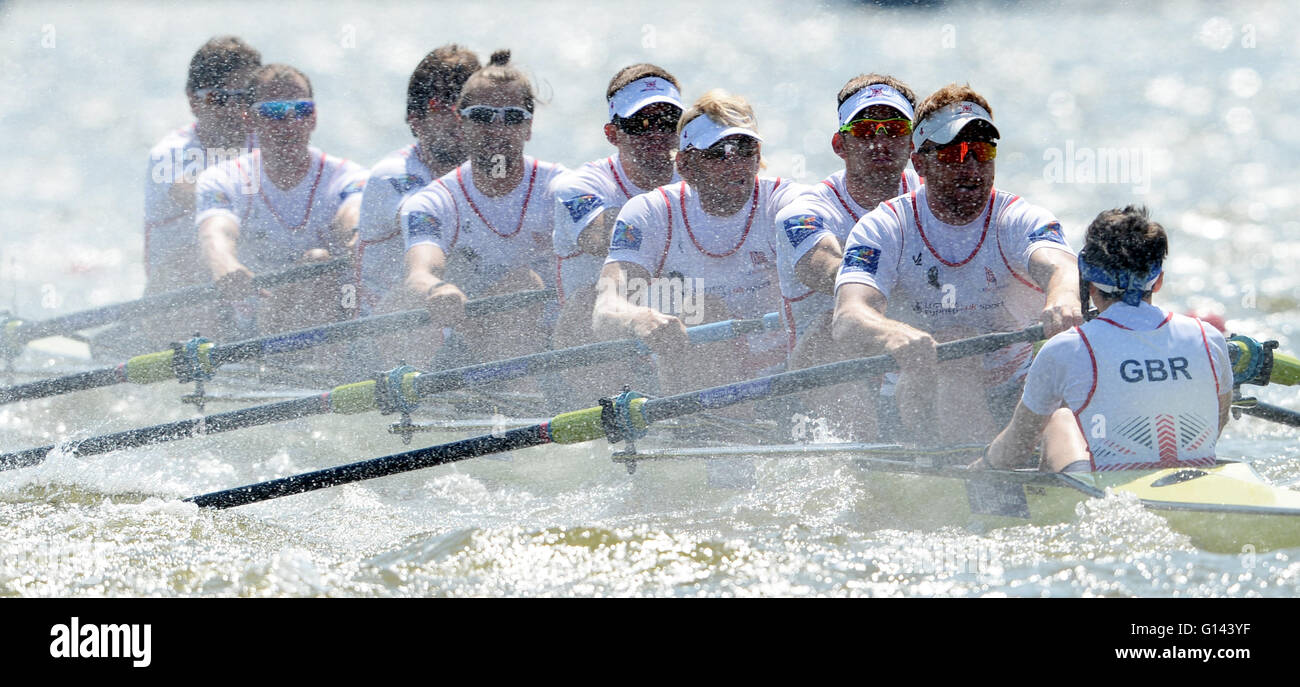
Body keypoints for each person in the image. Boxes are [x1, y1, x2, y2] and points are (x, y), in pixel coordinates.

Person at [832, 84, 1081, 445]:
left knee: (1069, 374)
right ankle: (984, 483)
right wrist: (895, 335)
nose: (971, 166)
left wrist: (1064, 298)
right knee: (956, 348)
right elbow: (848, 317)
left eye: (981, 151)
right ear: (920, 164)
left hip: (1013, 388)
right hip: (915, 398)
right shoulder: (884, 227)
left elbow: (1060, 266)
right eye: (954, 155)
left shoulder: (1017, 218)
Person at [978, 206, 1232, 472]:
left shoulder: (1066, 348)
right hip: (1195, 479)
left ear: (1087, 280)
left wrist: (979, 468)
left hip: (1110, 499)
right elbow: (1216, 424)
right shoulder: (1210, 337)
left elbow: (1016, 448)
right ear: (1158, 282)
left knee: (1061, 418)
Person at [593, 89, 805, 394]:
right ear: (686, 166)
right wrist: (638, 318)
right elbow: (605, 307)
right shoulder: (650, 213)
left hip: (784, 375)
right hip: (695, 375)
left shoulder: (787, 204)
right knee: (703, 309)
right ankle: (712, 427)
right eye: (718, 152)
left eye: (745, 148)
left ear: (758, 157)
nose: (736, 163)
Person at [771, 74, 921, 438]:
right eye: (867, 131)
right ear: (841, 144)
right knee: (832, 328)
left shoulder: (933, 198)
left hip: (909, 356)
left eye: (895, 129)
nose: (881, 143)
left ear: (913, 142)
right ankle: (866, 452)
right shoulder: (804, 212)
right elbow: (824, 268)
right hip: (820, 373)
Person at [400, 50, 567, 365]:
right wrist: (436, 288)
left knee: (527, 285)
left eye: (512, 117)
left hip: (559, 347)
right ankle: (515, 396)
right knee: (521, 286)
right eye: (482, 116)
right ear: (461, 123)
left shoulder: (563, 188)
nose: (498, 129)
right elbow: (420, 272)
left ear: (529, 128)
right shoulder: (433, 201)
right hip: (471, 348)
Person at [196, 64, 368, 339]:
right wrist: (225, 265)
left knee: (318, 261)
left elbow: (354, 212)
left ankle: (325, 363)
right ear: (249, 119)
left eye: (300, 110)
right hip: (252, 324)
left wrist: (357, 234)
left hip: (333, 315)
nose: (289, 123)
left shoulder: (348, 176)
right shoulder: (222, 179)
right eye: (273, 112)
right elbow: (215, 233)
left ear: (313, 118)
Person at [355, 45, 480, 318]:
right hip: (389, 330)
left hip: (461, 322)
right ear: (416, 119)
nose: (458, 116)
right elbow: (431, 218)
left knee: (521, 280)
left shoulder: (495, 178)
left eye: (468, 104)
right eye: (443, 103)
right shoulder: (392, 175)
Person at [144, 36, 261, 296]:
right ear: (193, 100)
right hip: (184, 299)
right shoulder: (169, 155)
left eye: (243, 97)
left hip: (255, 292)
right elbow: (207, 200)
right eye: (217, 98)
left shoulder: (269, 144)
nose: (232, 108)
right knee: (191, 263)